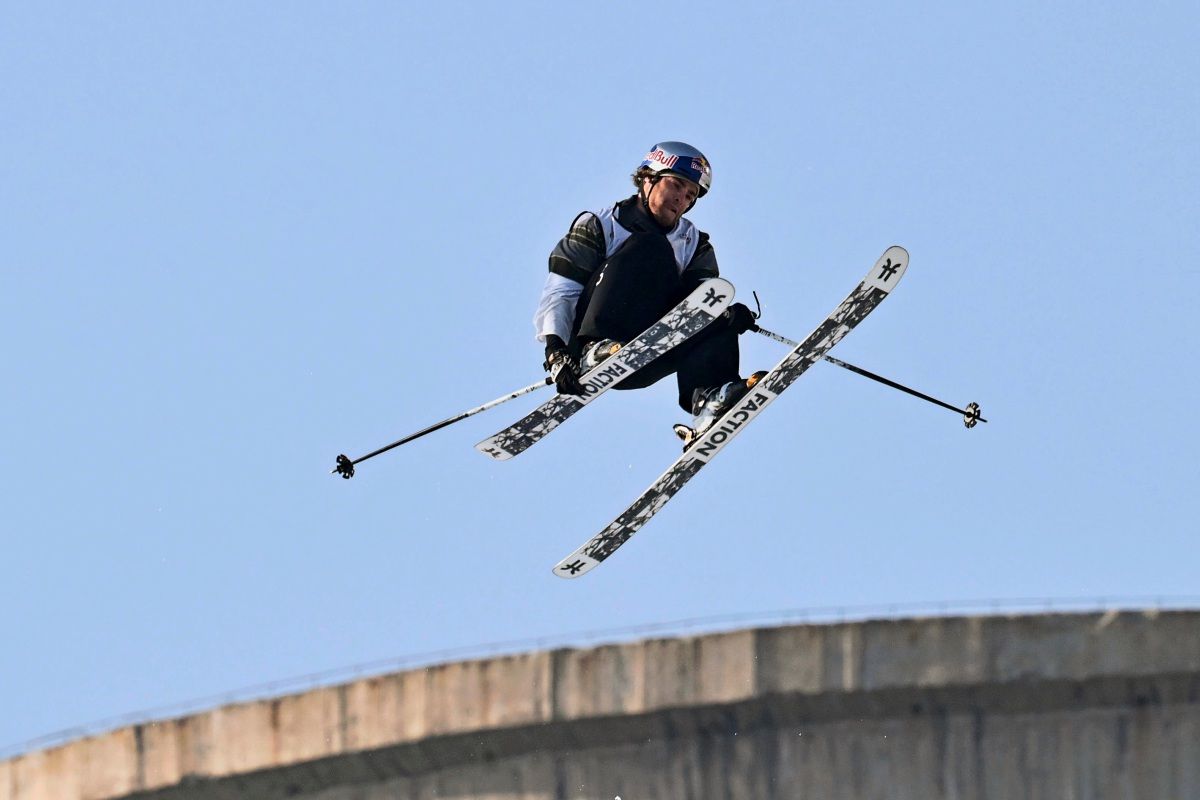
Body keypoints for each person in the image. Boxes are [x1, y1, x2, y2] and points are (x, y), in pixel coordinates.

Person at [532, 141, 766, 442]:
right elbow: (562, 291)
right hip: (591, 342)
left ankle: (709, 398)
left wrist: (729, 316)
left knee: (714, 304)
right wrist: (556, 349)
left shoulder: (695, 244)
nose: (682, 199)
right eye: (676, 185)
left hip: (648, 353)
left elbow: (701, 303)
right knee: (651, 244)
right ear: (648, 178)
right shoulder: (601, 225)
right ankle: (596, 348)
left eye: (691, 195)